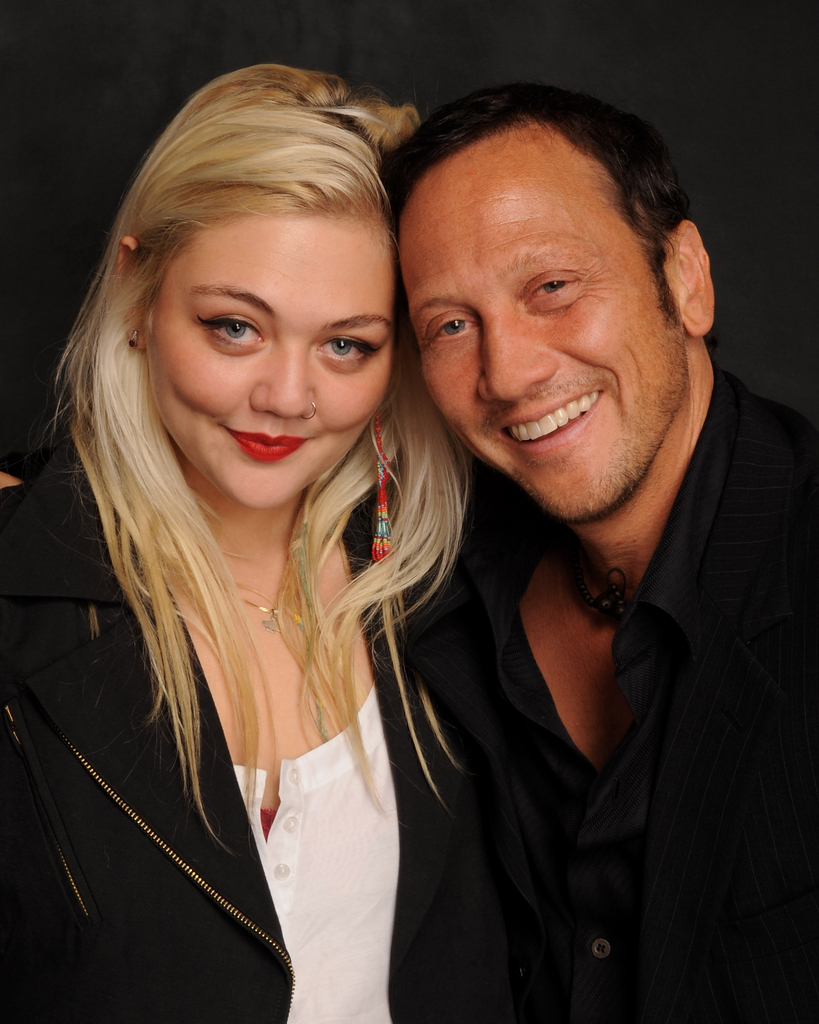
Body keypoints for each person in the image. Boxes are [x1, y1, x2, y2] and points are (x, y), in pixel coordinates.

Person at [0, 65, 516, 1024]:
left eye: (346, 344)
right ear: (137, 290)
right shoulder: (19, 582)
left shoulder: (444, 586)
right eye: (233, 327)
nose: (286, 397)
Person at [384, 83, 819, 1023]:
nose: (508, 373)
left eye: (550, 287)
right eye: (450, 325)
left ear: (685, 279)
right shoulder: (438, 584)